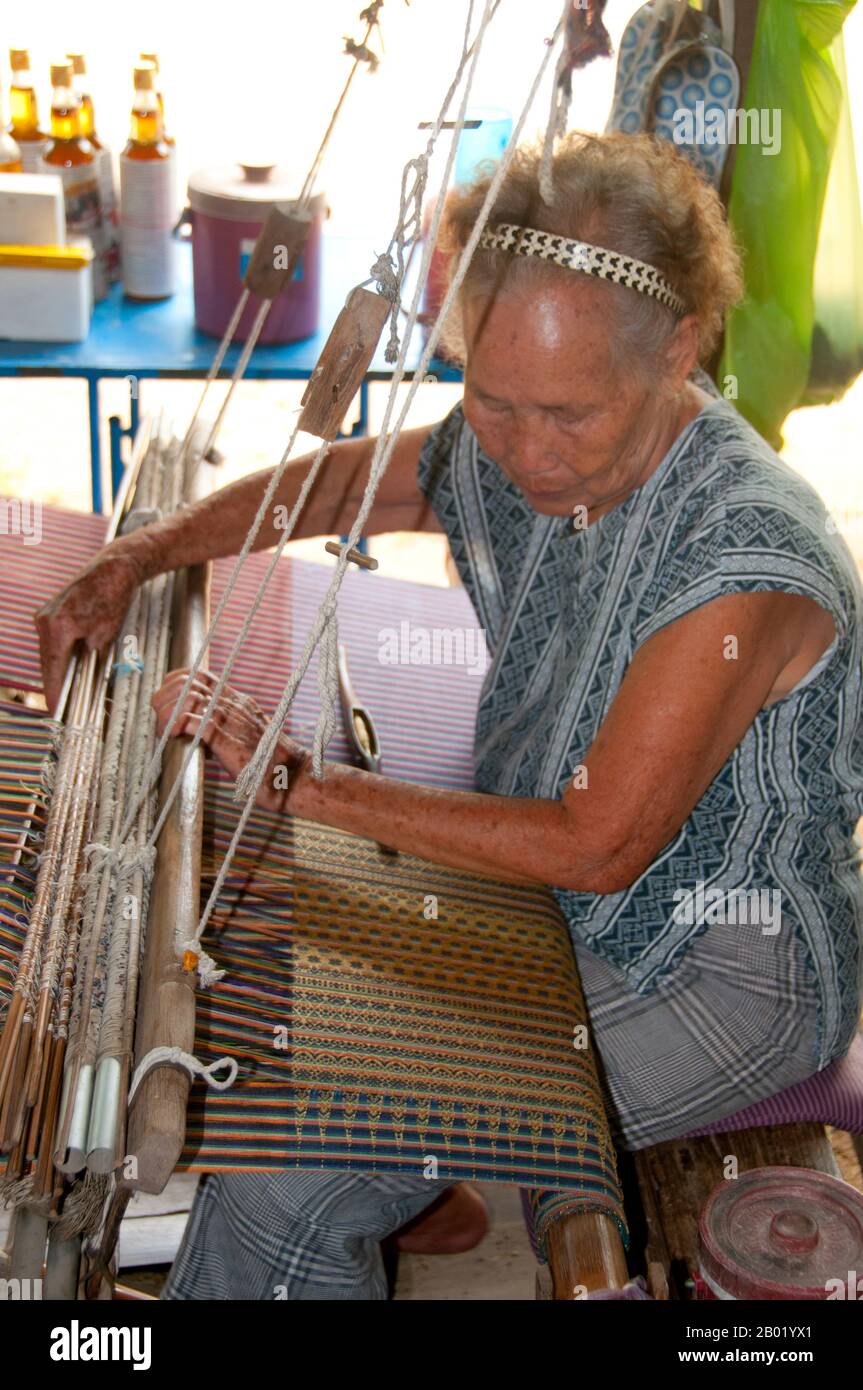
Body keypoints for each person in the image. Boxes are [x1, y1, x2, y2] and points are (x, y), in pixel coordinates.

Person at [36, 132, 863, 1299]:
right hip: (549, 877)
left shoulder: (737, 560)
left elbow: (595, 843)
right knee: (264, 1003)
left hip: (712, 965)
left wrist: (303, 785)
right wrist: (143, 554)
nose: (520, 451)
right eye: (488, 396)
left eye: (566, 414)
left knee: (291, 1172)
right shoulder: (524, 440)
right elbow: (346, 483)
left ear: (680, 349)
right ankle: (424, 1194)